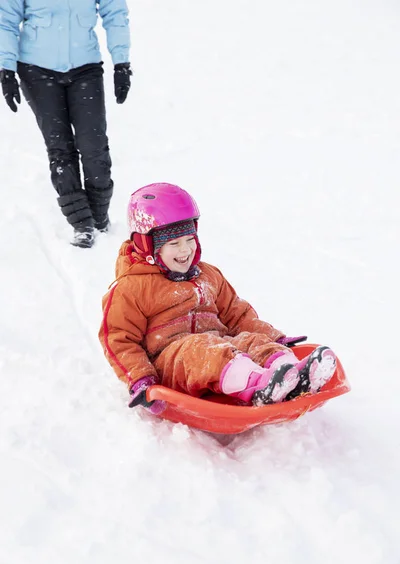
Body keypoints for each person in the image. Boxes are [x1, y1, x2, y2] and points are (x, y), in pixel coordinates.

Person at [99, 183, 337, 415]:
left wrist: (274, 338)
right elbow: (119, 340)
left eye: (190, 240)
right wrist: (141, 378)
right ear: (147, 247)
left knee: (250, 341)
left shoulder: (208, 275)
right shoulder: (131, 288)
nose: (185, 251)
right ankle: (261, 385)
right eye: (174, 244)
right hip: (174, 363)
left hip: (223, 349)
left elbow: (237, 315)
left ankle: (291, 372)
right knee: (202, 348)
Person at [0, 0, 131, 248]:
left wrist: (121, 63)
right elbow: (5, 20)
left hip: (85, 68)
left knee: (94, 145)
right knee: (60, 148)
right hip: (36, 70)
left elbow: (115, 13)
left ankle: (99, 215)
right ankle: (82, 223)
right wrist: (5, 68)